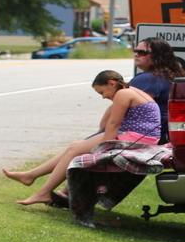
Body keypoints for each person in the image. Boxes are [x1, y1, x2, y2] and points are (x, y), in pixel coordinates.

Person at [10, 70, 162, 206]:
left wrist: (104, 150)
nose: (103, 97)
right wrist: (112, 104)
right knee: (74, 146)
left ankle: (42, 192)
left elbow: (112, 125)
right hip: (142, 137)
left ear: (112, 83)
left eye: (102, 92)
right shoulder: (132, 92)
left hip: (136, 138)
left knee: (74, 149)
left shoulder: (123, 94)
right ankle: (30, 176)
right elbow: (103, 124)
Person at [130, 37, 182, 143]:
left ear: (157, 56)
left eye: (142, 52)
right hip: (167, 136)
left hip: (143, 137)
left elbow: (121, 110)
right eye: (135, 51)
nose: (136, 55)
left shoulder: (147, 79)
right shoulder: (171, 76)